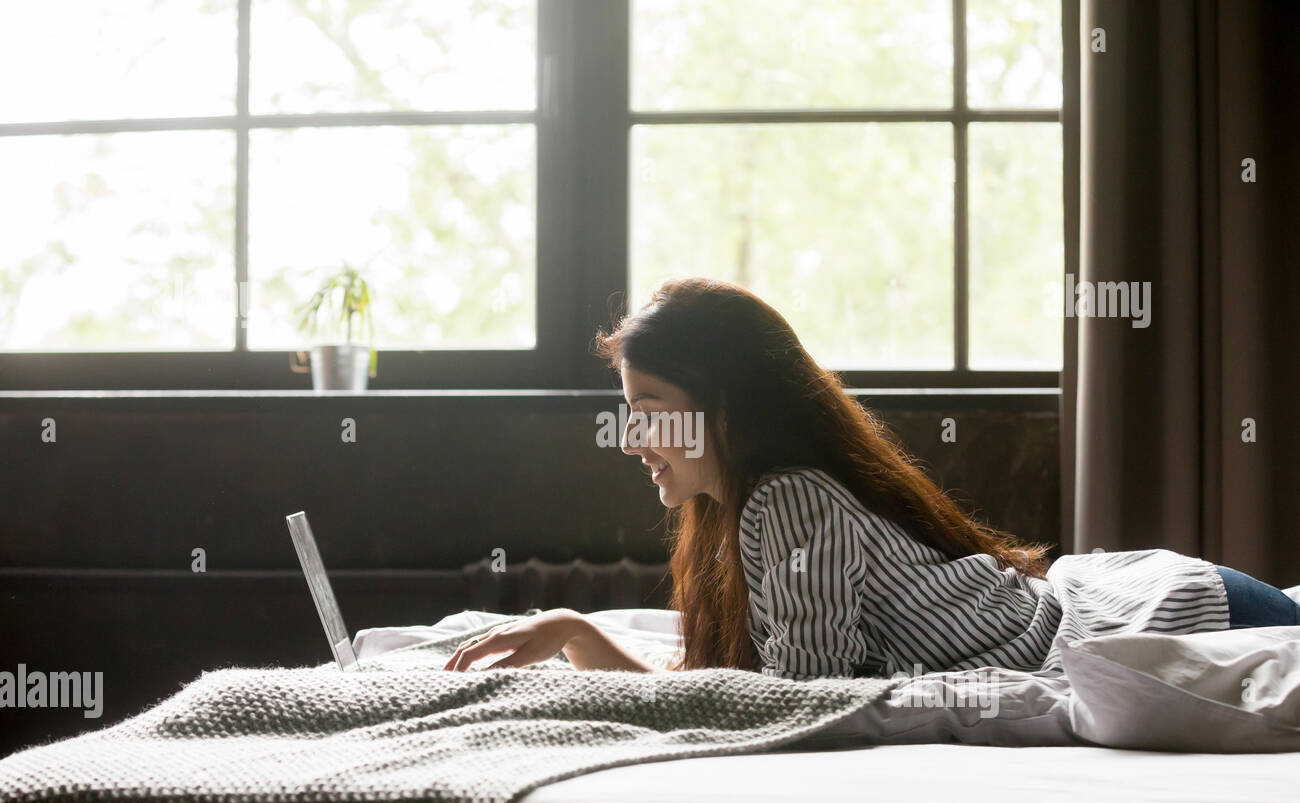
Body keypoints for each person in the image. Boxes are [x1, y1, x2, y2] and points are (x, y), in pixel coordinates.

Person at [443, 277, 1299, 678]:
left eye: (650, 408)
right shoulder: (734, 510)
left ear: (726, 408)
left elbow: (794, 704)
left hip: (1162, 611)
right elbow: (742, 686)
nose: (632, 439)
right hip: (1102, 596)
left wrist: (580, 644)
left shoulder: (788, 500)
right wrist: (578, 633)